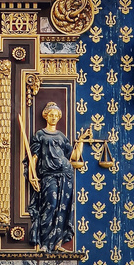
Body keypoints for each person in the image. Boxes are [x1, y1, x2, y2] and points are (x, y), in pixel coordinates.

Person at [26, 102, 80, 251]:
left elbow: (73, 156)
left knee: (62, 208)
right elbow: (34, 158)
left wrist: (81, 141)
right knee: (49, 206)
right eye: (51, 115)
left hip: (66, 174)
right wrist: (32, 176)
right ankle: (44, 244)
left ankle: (57, 243)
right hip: (48, 175)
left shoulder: (62, 137)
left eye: (56, 116)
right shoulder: (40, 135)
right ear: (46, 116)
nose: (54, 118)